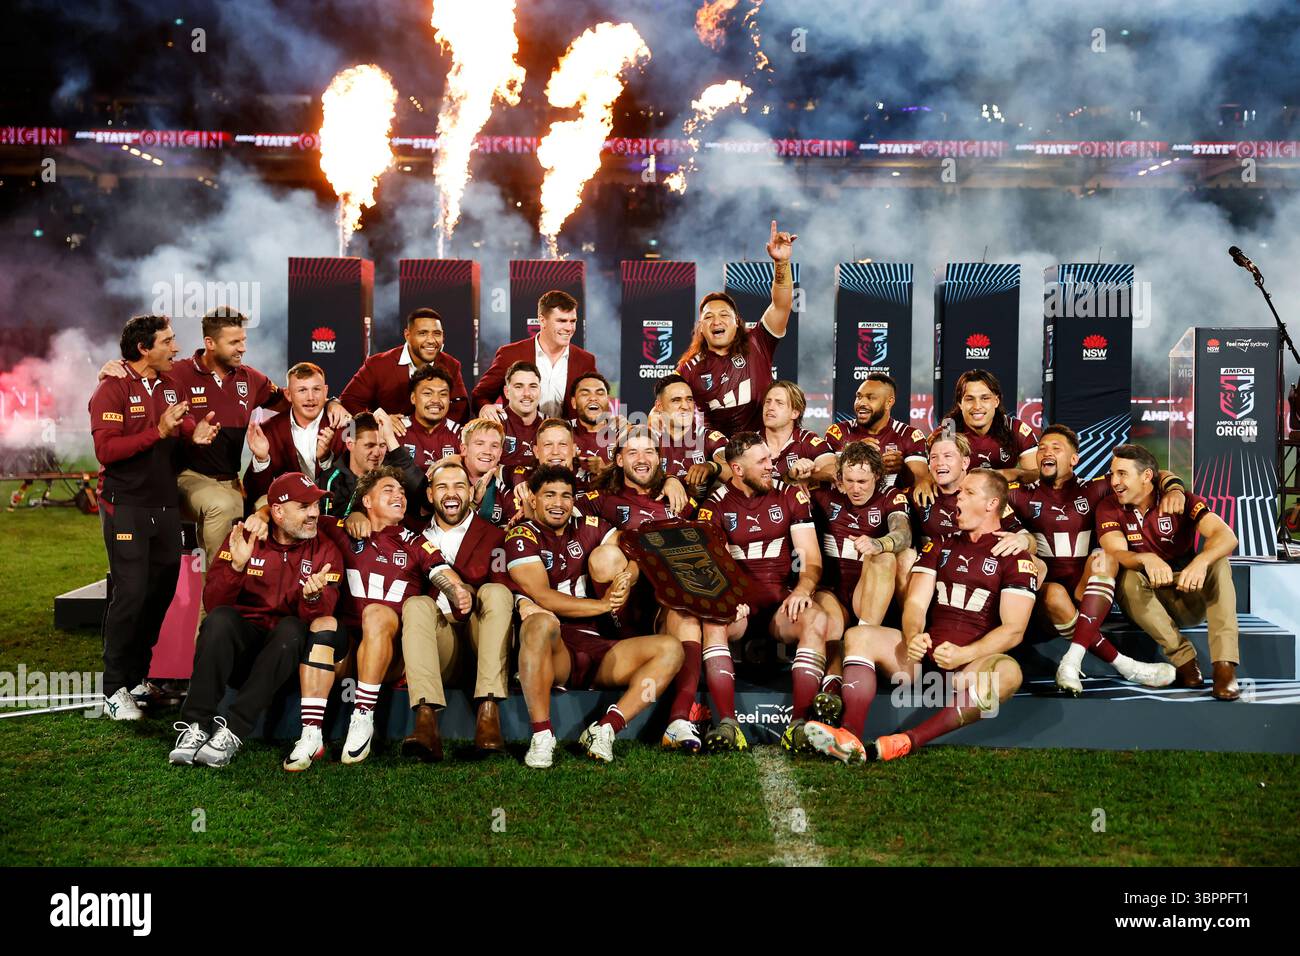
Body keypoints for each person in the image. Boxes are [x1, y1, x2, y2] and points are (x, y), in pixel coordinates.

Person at [804, 471, 1037, 764]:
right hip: (922, 657)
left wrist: (966, 653)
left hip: (969, 667)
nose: (958, 498)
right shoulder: (940, 543)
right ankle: (849, 734)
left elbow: (1014, 630)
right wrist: (914, 635)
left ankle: (909, 740)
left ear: (992, 503)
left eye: (967, 493)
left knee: (1009, 672)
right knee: (858, 636)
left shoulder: (1015, 557)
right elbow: (914, 602)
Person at [506, 465, 684, 767]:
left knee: (671, 648)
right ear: (532, 500)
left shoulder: (590, 525)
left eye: (565, 496)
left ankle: (606, 728)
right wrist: (603, 605)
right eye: (549, 495)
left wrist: (627, 575)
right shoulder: (521, 535)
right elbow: (544, 596)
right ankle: (541, 735)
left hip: (600, 645)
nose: (558, 503)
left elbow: (635, 553)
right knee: (539, 622)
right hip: (558, 648)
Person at [89, 314, 219, 720]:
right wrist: (159, 433)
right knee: (130, 593)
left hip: (163, 504)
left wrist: (191, 432)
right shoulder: (110, 390)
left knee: (159, 592)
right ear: (144, 348)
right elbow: (107, 452)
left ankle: (136, 679)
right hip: (125, 504)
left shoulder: (168, 383)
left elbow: (181, 420)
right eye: (168, 341)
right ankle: (112, 690)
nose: (175, 347)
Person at [169, 473, 344, 768]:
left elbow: (317, 619)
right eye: (304, 506)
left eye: (316, 505)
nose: (314, 513)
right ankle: (195, 727)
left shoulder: (326, 551)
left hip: (287, 658)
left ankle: (233, 731)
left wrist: (313, 598)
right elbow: (213, 604)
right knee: (221, 619)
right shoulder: (244, 539)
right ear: (276, 511)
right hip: (243, 651)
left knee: (291, 629)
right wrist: (236, 566)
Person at [299, 467, 472, 766]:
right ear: (366, 501)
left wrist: (456, 589)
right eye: (389, 490)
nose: (399, 496)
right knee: (322, 625)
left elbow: (439, 571)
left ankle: (363, 716)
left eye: (402, 492)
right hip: (350, 650)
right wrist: (260, 516)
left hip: (392, 653)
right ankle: (310, 733)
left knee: (376, 614)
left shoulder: (415, 542)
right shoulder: (339, 529)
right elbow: (288, 512)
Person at [1005, 426, 1180, 694]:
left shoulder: (1096, 488)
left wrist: (1175, 488)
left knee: (1105, 555)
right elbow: (984, 490)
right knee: (1054, 594)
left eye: (1056, 448)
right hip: (1045, 600)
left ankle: (1071, 662)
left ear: (1074, 459)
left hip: (1087, 591)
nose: (1046, 452)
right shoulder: (1020, 493)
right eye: (1041, 448)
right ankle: (1126, 666)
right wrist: (1014, 473)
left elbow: (1150, 476)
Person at [695, 432, 829, 755]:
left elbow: (810, 558)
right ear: (737, 470)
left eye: (770, 458)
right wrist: (728, 599)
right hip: (739, 608)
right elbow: (715, 566)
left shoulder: (791, 496)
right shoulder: (714, 506)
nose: (772, 466)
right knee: (714, 622)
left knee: (816, 619)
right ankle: (727, 724)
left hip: (779, 608)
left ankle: (798, 727)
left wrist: (803, 589)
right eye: (763, 462)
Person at [579, 426, 703, 751]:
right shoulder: (599, 501)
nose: (642, 459)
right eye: (632, 452)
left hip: (662, 605)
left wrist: (675, 480)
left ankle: (679, 720)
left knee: (688, 614)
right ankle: (612, 633)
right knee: (605, 557)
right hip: (617, 612)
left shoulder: (678, 501)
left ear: (660, 460)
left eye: (649, 452)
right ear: (619, 459)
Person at [1098, 443, 1241, 700]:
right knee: (1127, 576)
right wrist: (1146, 558)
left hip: (1188, 593)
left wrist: (1200, 562)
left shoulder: (1180, 500)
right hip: (1149, 603)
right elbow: (1116, 552)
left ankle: (1224, 667)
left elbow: (1226, 536)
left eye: (1122, 474)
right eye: (1112, 474)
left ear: (1146, 477)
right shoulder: (1109, 507)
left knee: (1219, 562)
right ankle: (1185, 661)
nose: (1114, 481)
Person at [399, 460, 516, 758]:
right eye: (442, 487)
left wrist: (467, 593)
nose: (451, 494)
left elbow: (505, 593)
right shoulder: (411, 534)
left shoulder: (494, 536)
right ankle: (426, 720)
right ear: (429, 495)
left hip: (481, 642)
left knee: (496, 591)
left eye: (459, 486)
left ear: (472, 492)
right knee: (416, 604)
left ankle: (488, 712)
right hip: (439, 647)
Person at [810, 442, 913, 720]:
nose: (856, 488)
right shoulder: (823, 497)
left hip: (867, 595)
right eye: (850, 481)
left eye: (863, 481)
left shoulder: (891, 498)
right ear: (839, 479)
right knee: (828, 621)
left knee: (888, 558)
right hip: (833, 591)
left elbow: (903, 534)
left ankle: (864, 643)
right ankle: (831, 688)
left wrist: (879, 544)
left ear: (877, 478)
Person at [676, 220, 798, 435]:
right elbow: (665, 404)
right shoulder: (689, 368)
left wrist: (781, 264)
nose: (716, 321)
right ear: (701, 328)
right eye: (708, 317)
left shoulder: (758, 341)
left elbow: (781, 305)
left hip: (764, 449)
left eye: (724, 315)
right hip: (718, 457)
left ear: (737, 323)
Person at [473, 290, 597, 421]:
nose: (569, 328)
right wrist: (485, 407)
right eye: (562, 321)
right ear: (542, 321)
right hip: (519, 439)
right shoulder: (509, 354)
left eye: (572, 321)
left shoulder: (586, 361)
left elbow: (598, 404)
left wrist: (610, 432)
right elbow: (480, 395)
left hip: (569, 440)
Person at [339, 307, 470, 423]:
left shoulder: (451, 365)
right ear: (407, 335)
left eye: (437, 334)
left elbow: (460, 409)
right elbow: (349, 401)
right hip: (385, 443)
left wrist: (437, 434)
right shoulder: (378, 364)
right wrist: (378, 420)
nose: (431, 340)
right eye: (422, 333)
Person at [244, 362, 346, 506]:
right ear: (288, 394)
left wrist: (326, 459)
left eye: (316, 389)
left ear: (325, 391)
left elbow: (353, 480)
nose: (310, 397)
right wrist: (261, 459)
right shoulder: (270, 430)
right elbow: (254, 491)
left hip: (336, 507)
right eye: (302, 390)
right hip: (290, 511)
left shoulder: (343, 425)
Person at [824, 373, 932, 496]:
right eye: (859, 397)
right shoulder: (838, 432)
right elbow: (820, 473)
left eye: (870, 398)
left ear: (889, 402)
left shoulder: (909, 435)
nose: (861, 403)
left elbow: (921, 484)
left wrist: (903, 469)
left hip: (892, 510)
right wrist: (853, 453)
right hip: (844, 510)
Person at [938, 370, 1038, 482]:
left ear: (996, 401)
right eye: (970, 399)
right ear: (960, 404)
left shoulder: (1014, 428)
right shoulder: (948, 430)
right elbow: (934, 473)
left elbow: (1036, 474)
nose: (977, 406)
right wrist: (925, 480)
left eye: (985, 398)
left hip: (1002, 497)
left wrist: (1009, 473)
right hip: (961, 496)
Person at [647, 374, 730, 500]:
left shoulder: (710, 438)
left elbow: (736, 474)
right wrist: (668, 480)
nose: (685, 406)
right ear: (659, 406)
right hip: (657, 516)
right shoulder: (648, 441)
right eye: (676, 400)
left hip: (703, 517)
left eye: (689, 399)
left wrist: (712, 467)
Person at [760, 380, 837, 484]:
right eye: (768, 402)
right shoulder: (749, 442)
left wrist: (806, 475)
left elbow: (832, 468)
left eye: (779, 403)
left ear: (794, 413)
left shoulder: (808, 440)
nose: (770, 407)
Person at [568, 371, 620, 488]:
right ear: (573, 402)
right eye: (585, 394)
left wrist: (605, 470)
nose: (593, 398)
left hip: (610, 503)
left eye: (600, 393)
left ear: (608, 400)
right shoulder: (561, 432)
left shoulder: (623, 434)